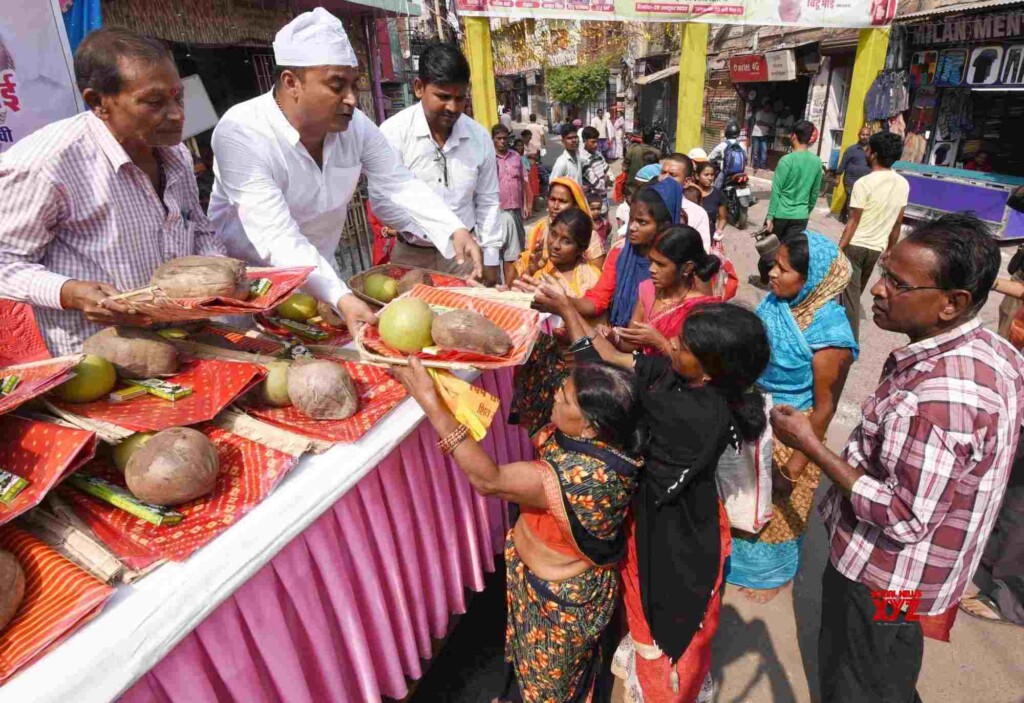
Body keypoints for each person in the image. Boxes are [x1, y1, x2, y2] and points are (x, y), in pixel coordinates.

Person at [770, 213, 1023, 702]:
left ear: (953, 303)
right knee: (892, 650)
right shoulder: (992, 349)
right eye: (884, 272)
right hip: (919, 577)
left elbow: (903, 517)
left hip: (881, 576)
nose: (876, 291)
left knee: (853, 671)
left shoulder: (935, 401)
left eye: (897, 284)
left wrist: (811, 444)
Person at [538, 292, 772, 703]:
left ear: (712, 368)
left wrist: (569, 316)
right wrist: (569, 310)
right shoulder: (680, 378)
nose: (670, 344)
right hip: (672, 515)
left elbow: (599, 369)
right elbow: (608, 355)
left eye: (682, 343)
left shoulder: (691, 416)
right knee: (651, 612)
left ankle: (668, 685)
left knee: (667, 624)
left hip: (673, 534)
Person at [210, 11, 480, 337]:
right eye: (337, 85)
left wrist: (453, 229)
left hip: (322, 286)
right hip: (248, 291)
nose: (351, 99)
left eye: (354, 84)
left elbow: (398, 182)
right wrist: (339, 295)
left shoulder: (356, 128)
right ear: (291, 83)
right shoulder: (241, 132)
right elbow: (277, 237)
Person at [395, 356, 644, 703]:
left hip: (560, 604)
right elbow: (536, 402)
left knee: (550, 690)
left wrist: (430, 402)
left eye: (567, 398)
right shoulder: (589, 437)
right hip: (536, 587)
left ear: (591, 426)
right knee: (530, 669)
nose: (557, 395)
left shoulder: (587, 477)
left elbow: (489, 480)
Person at [0, 27, 224, 355]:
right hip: (95, 364)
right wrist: (70, 292)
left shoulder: (173, 153)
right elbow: (5, 263)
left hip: (183, 345)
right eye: (154, 102)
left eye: (178, 96)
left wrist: (220, 271)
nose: (177, 114)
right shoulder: (44, 165)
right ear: (98, 102)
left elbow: (199, 230)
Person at [728, 230, 858, 603]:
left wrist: (796, 466)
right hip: (755, 414)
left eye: (784, 270)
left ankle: (774, 576)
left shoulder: (830, 334)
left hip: (794, 430)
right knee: (745, 498)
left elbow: (824, 408)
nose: (772, 274)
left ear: (812, 279)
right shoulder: (777, 303)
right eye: (775, 265)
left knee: (780, 509)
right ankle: (741, 562)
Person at [374, 41, 499, 282]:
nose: (452, 107)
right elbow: (382, 203)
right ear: (419, 88)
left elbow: (488, 200)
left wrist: (491, 258)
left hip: (463, 258)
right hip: (411, 255)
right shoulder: (393, 133)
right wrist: (445, 231)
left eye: (460, 98)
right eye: (443, 96)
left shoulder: (479, 137)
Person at [509, 207, 604, 435]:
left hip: (576, 368)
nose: (555, 244)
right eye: (553, 235)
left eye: (566, 241)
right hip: (540, 368)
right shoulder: (538, 273)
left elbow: (599, 328)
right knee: (539, 431)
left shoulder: (591, 277)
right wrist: (530, 271)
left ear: (581, 249)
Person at [554, 179, 683, 327]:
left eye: (642, 222)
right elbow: (598, 299)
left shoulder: (678, 263)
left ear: (664, 226)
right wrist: (561, 300)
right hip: (621, 337)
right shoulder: (619, 254)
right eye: (632, 219)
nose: (632, 227)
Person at [839, 131, 909, 341]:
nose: (866, 152)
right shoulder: (902, 184)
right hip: (876, 248)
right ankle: (840, 331)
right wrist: (890, 249)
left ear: (874, 154)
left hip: (855, 246)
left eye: (868, 149)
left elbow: (853, 222)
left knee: (848, 299)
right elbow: (898, 221)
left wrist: (839, 249)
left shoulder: (864, 183)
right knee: (853, 295)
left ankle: (848, 343)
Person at [612, 225, 721, 356]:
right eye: (651, 261)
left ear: (687, 268)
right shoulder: (647, 289)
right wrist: (614, 338)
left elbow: (694, 365)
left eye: (660, 264)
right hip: (647, 370)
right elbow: (632, 342)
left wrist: (659, 343)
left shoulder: (699, 308)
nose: (651, 269)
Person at [754, 120, 823, 287]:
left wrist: (770, 216)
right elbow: (814, 194)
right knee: (789, 252)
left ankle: (765, 279)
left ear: (793, 136)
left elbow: (776, 191)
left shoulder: (786, 160)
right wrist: (806, 211)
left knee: (768, 249)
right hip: (801, 216)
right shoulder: (816, 162)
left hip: (780, 215)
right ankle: (783, 282)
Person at [514, 178, 606, 284]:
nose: (555, 206)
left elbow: (596, 277)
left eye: (563, 201)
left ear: (575, 204)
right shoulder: (537, 229)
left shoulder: (589, 235)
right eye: (552, 199)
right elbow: (521, 270)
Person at [488, 125, 529, 285]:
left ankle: (512, 286)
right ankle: (496, 286)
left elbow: (524, 181)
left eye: (505, 138)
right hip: (497, 211)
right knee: (495, 250)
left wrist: (527, 203)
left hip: (516, 209)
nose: (502, 142)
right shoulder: (488, 159)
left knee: (515, 252)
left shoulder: (516, 157)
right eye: (499, 138)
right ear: (493, 139)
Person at [659, 154, 712, 252]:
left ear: (687, 182)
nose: (664, 179)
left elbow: (703, 251)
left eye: (672, 175)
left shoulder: (698, 214)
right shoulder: (646, 203)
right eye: (663, 172)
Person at [836, 126, 872, 222]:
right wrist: (838, 177)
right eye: (862, 134)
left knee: (858, 199)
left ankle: (843, 215)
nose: (865, 137)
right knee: (852, 198)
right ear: (859, 136)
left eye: (867, 135)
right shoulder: (851, 149)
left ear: (870, 136)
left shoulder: (872, 151)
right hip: (851, 180)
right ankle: (850, 220)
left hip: (865, 181)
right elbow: (843, 163)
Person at [708, 121, 746, 189]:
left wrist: (708, 159)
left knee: (715, 188)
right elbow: (746, 157)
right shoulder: (742, 144)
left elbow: (711, 156)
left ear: (727, 132)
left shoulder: (723, 144)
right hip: (741, 173)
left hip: (726, 174)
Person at [694, 161, 727, 239]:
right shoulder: (689, 192)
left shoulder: (718, 194)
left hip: (709, 235)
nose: (710, 178)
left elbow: (723, 218)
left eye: (712, 175)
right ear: (697, 176)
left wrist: (719, 229)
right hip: (691, 234)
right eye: (706, 175)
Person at [580, 125, 610, 203]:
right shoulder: (583, 159)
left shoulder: (598, 154)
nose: (596, 144)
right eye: (593, 142)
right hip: (591, 201)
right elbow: (598, 185)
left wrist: (592, 186)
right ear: (584, 141)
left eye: (597, 141)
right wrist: (605, 180)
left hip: (604, 196)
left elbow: (611, 175)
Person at [751, 98, 776, 170]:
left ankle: (762, 165)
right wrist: (767, 124)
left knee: (764, 151)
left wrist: (765, 123)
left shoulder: (771, 115)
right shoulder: (759, 113)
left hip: (764, 134)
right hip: (756, 134)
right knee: (756, 151)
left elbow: (772, 125)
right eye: (767, 106)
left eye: (769, 107)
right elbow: (758, 122)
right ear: (764, 106)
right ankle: (755, 165)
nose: (767, 108)